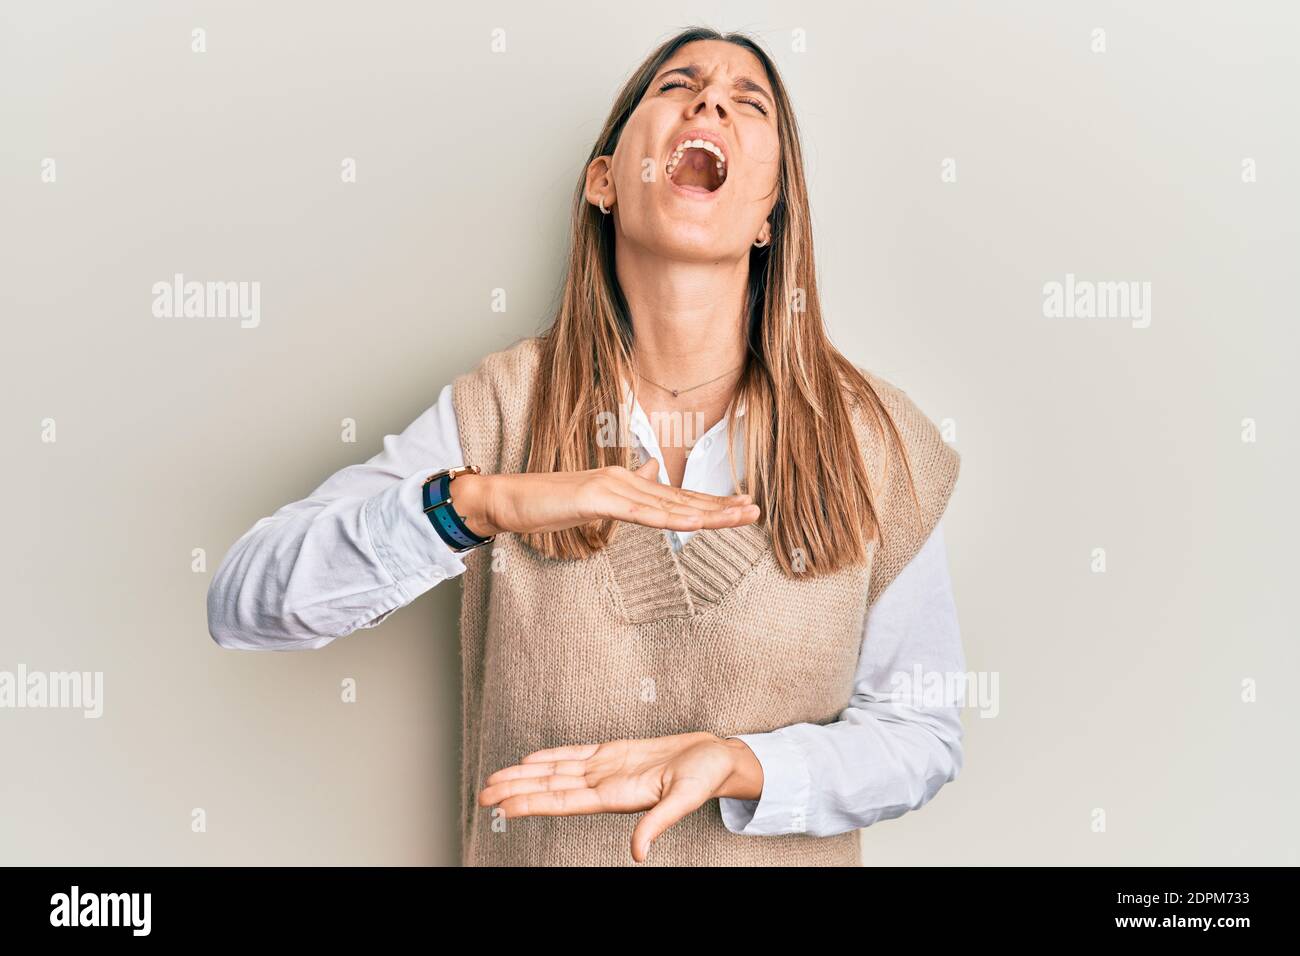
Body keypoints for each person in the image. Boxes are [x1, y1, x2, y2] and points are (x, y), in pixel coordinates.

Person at [208, 26, 964, 867]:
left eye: (749, 101)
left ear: (768, 210)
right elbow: (245, 604)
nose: (710, 99)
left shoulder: (874, 441)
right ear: (605, 180)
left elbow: (920, 732)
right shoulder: (500, 410)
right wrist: (475, 504)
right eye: (678, 86)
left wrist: (743, 765)